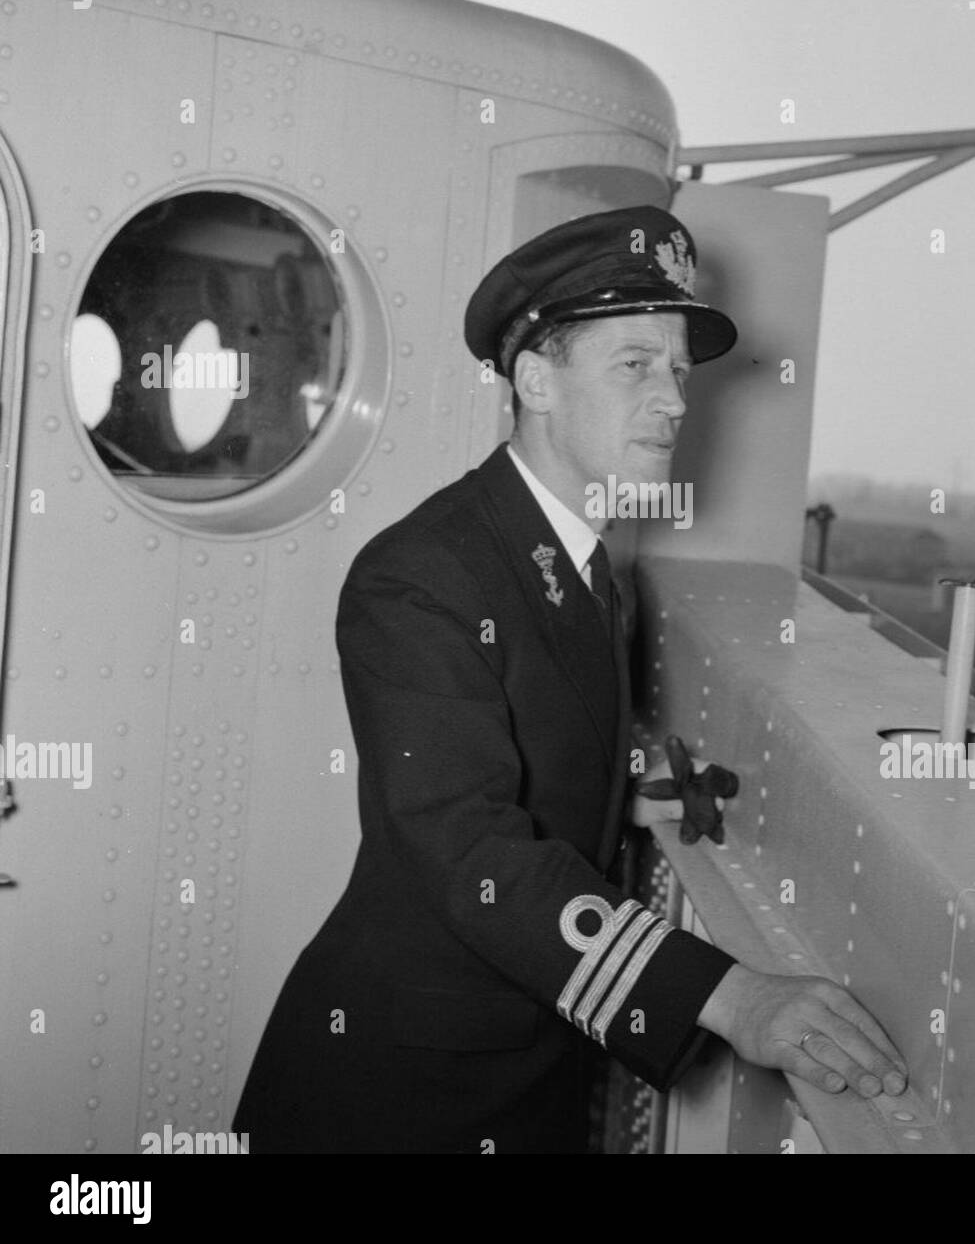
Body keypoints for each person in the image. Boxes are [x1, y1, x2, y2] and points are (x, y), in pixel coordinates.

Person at [232, 205, 906, 1153]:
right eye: (634, 364)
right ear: (536, 380)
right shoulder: (423, 572)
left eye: (677, 369)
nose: (673, 398)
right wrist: (731, 995)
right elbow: (469, 848)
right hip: (404, 1089)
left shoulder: (584, 567)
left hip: (528, 1052)